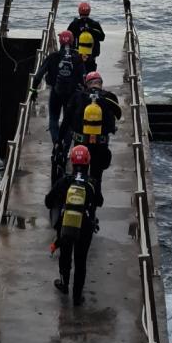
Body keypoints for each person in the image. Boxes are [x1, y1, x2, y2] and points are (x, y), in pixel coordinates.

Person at [45, 145, 98, 305]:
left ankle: (64, 284)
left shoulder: (64, 181)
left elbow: (48, 201)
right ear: (88, 162)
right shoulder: (92, 183)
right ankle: (77, 296)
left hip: (66, 224)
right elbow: (99, 201)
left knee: (66, 255)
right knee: (80, 261)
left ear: (72, 162)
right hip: (86, 227)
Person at [60, 71, 121, 204]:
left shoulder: (77, 96)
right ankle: (94, 201)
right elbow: (117, 116)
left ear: (86, 84)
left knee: (78, 174)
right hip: (100, 144)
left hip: (81, 144)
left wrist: (59, 140)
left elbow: (66, 121)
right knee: (96, 176)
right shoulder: (110, 97)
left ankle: (75, 200)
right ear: (100, 84)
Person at [30, 30, 85, 144]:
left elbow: (37, 77)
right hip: (72, 94)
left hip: (56, 92)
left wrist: (33, 90)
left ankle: (56, 144)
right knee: (68, 120)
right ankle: (65, 149)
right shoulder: (78, 58)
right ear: (73, 41)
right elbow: (84, 79)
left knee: (53, 119)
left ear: (60, 42)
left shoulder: (53, 57)